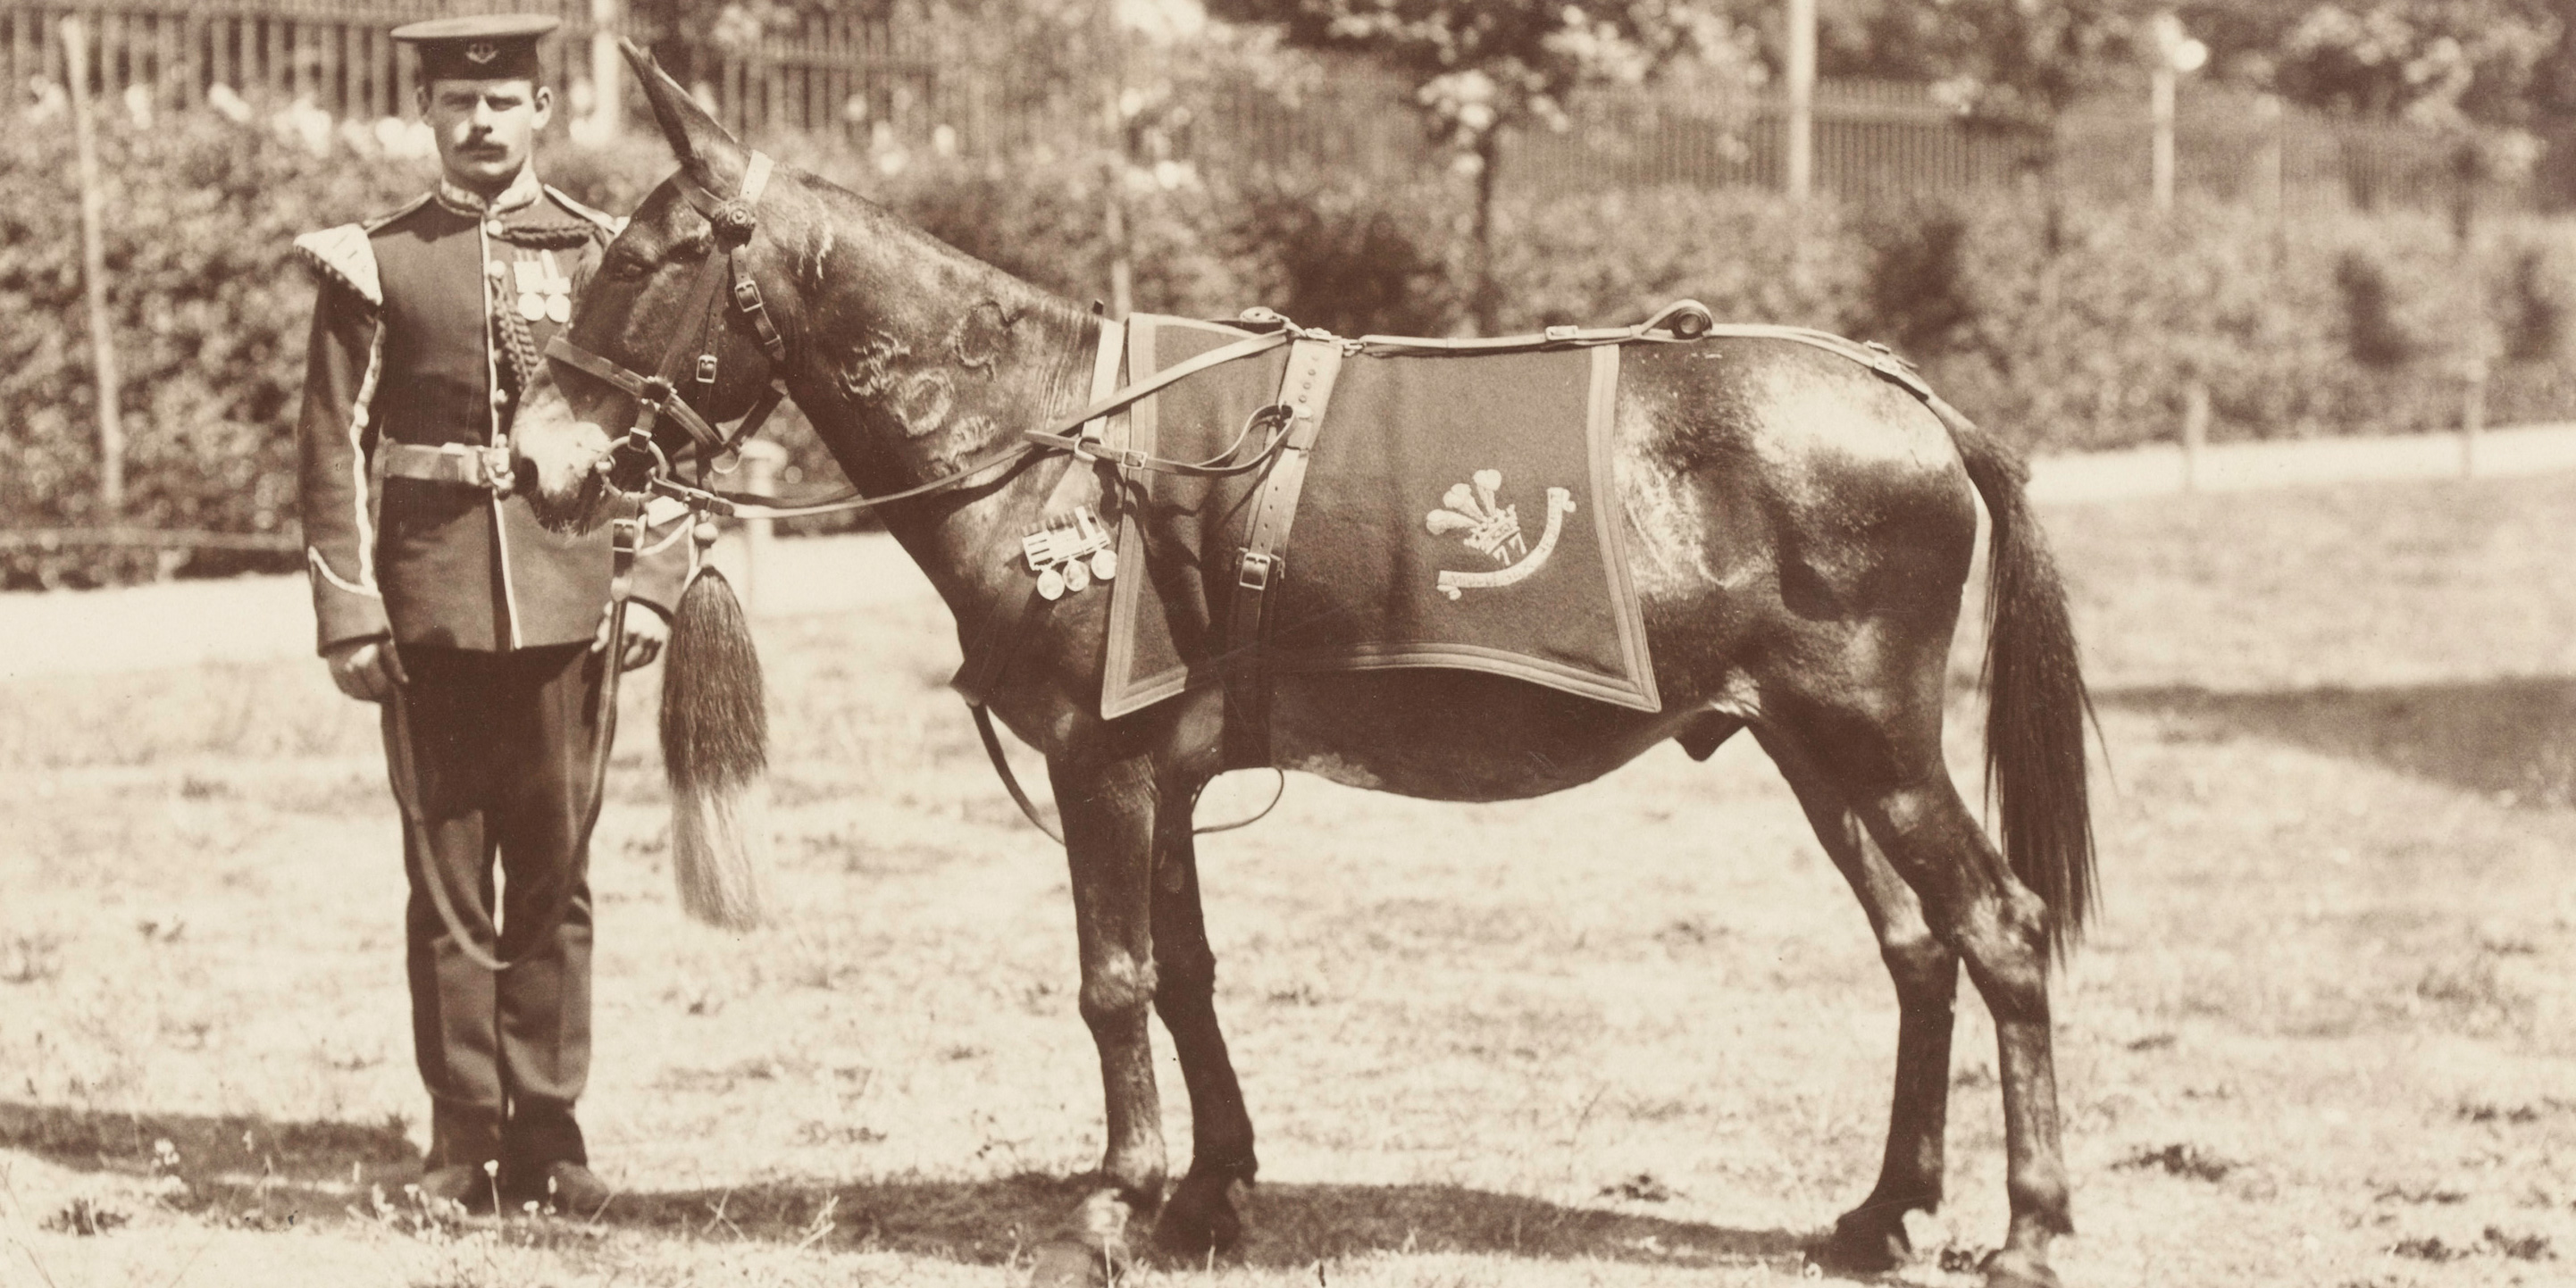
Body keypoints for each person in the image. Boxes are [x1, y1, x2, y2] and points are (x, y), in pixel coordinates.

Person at [292, 13, 688, 1216]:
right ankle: (462, 1140)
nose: (480, 123)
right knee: (450, 885)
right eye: (458, 104)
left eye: (503, 101)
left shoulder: (606, 254)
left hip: (573, 605)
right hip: (432, 613)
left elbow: (654, 426)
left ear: (541, 111)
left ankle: (551, 1141)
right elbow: (325, 446)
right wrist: (352, 613)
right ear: (427, 112)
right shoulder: (377, 262)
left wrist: (656, 577)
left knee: (556, 883)